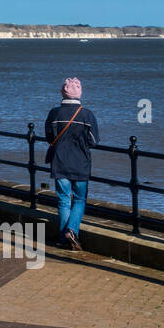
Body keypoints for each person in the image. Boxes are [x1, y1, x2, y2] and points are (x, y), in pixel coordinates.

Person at [44, 77, 99, 250]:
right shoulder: (86, 114)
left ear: (63, 92)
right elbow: (94, 141)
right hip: (80, 163)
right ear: (79, 92)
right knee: (80, 199)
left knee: (63, 201)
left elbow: (49, 137)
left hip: (59, 162)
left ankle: (63, 238)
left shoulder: (54, 113)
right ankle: (72, 230)